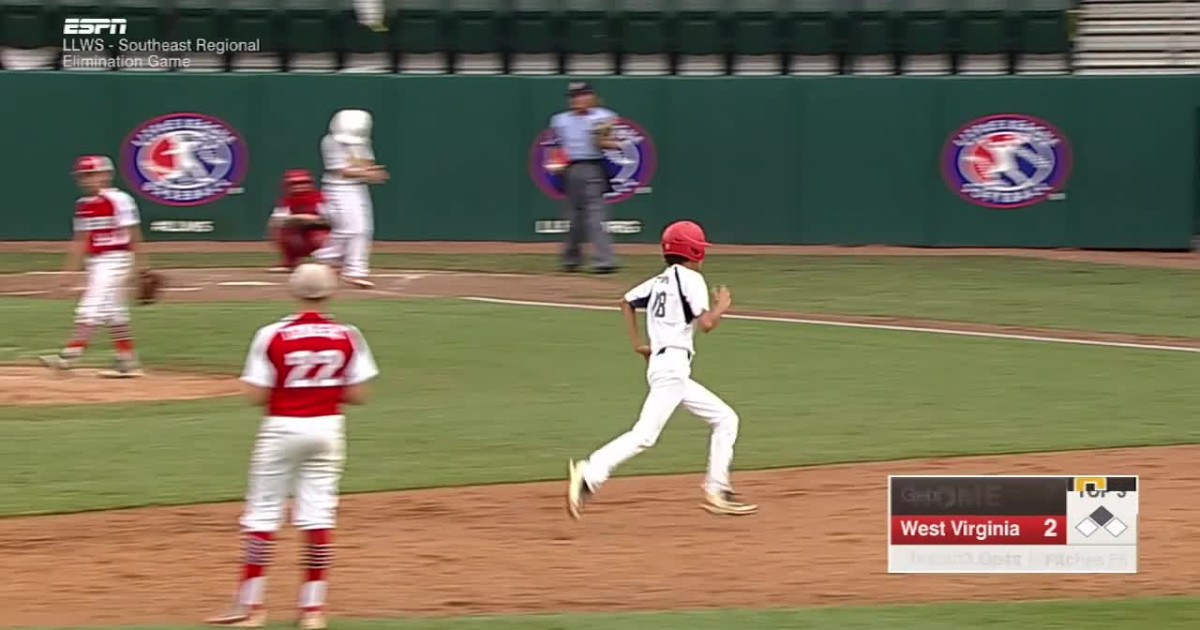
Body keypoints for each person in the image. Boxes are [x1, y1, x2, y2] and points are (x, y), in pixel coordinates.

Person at [206, 264, 379, 630]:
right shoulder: (348, 335)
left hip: (283, 427)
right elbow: (360, 394)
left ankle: (252, 608)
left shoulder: (273, 334)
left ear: (293, 291)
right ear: (331, 293)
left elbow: (256, 395)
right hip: (328, 428)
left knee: (262, 515)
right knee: (318, 515)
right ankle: (312, 611)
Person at [567, 221, 757, 519]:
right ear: (692, 250)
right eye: (700, 249)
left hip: (666, 367)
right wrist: (721, 307)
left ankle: (717, 488)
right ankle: (590, 471)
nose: (701, 255)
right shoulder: (691, 280)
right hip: (672, 368)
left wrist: (639, 345)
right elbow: (706, 324)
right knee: (644, 435)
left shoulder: (659, 281)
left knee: (725, 419)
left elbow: (626, 302)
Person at [39, 155, 147, 378]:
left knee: (91, 304)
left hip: (117, 258)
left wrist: (141, 267)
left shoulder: (120, 200)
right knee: (114, 310)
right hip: (96, 261)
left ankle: (70, 355)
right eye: (82, 176)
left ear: (106, 175)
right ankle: (126, 360)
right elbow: (80, 240)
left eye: (91, 174)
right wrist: (69, 271)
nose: (86, 180)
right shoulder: (83, 206)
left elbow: (134, 233)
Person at [549, 81, 620, 274]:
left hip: (594, 167)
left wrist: (604, 140)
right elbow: (555, 145)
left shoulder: (604, 116)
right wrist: (554, 165)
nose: (577, 99)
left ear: (591, 96)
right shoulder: (560, 120)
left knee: (595, 215)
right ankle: (571, 259)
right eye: (574, 96)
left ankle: (604, 260)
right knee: (574, 217)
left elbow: (614, 144)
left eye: (582, 95)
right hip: (570, 169)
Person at [315, 109, 388, 289]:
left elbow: (366, 164)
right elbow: (341, 171)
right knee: (350, 229)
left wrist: (368, 171)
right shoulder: (330, 141)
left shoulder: (361, 141)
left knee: (363, 229)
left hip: (358, 189)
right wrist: (366, 172)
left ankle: (351, 269)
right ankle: (331, 260)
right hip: (337, 188)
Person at [267, 169, 331, 273]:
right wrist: (302, 218)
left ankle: (328, 261)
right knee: (283, 233)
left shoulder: (319, 198)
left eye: (303, 183)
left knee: (318, 236)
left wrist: (306, 219)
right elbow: (277, 220)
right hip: (300, 235)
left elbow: (328, 219)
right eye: (295, 184)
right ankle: (290, 262)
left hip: (320, 233)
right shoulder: (286, 201)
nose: (299, 187)